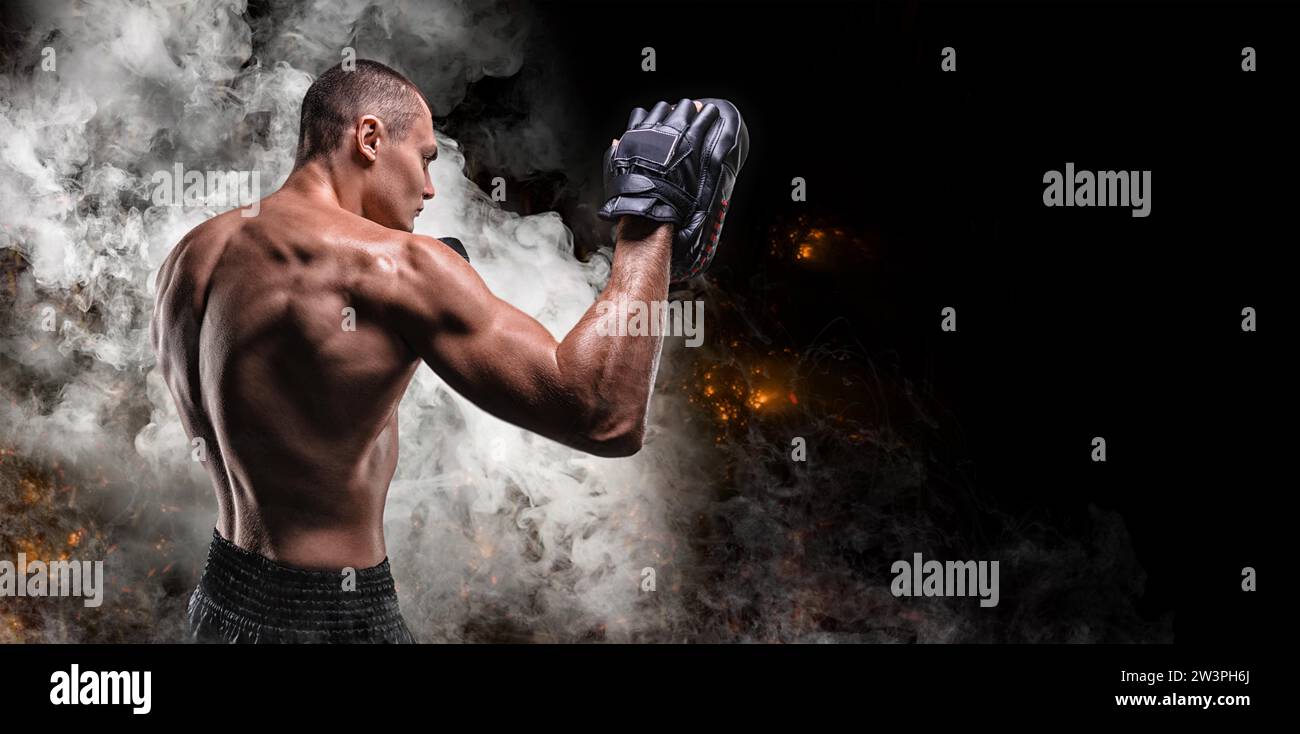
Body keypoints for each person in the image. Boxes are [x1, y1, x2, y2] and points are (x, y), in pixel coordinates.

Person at [151, 58, 744, 642]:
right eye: (426, 159)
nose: (431, 189)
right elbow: (603, 414)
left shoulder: (190, 257)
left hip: (220, 605)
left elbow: (307, 389)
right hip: (330, 622)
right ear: (369, 137)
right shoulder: (397, 267)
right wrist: (647, 225)